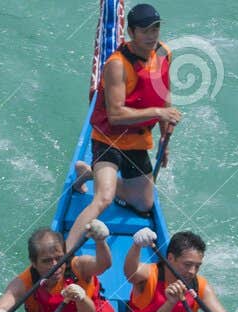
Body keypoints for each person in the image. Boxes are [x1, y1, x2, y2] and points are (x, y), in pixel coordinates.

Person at [66, 5, 181, 251]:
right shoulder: (116, 65)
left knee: (144, 204)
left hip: (137, 141)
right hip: (108, 140)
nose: (152, 35)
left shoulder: (164, 53)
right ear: (131, 32)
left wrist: (164, 138)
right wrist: (158, 113)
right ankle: (64, 254)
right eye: (145, 31)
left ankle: (89, 172)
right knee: (103, 199)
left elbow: (164, 96)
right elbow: (116, 115)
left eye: (156, 29)